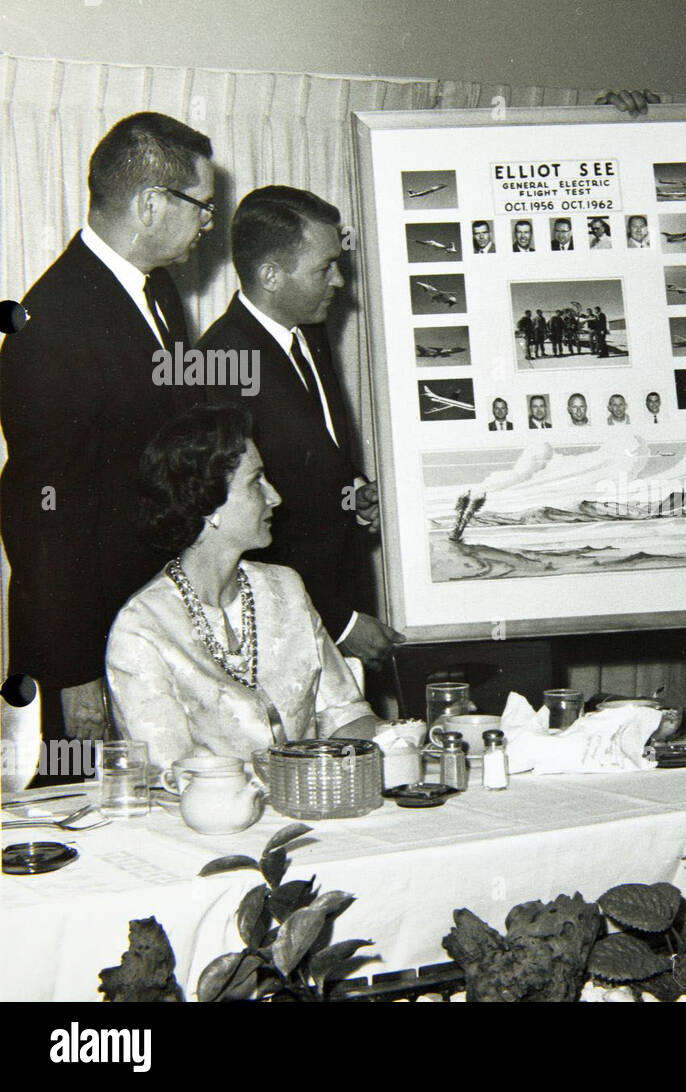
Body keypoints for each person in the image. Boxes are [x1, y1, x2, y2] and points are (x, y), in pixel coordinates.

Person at [0, 112, 214, 748]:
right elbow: (40, 515)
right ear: (151, 204)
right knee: (82, 817)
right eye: (201, 205)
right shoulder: (53, 323)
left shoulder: (158, 293)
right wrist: (75, 678)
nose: (209, 222)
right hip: (82, 649)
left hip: (148, 625)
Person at [196, 186, 403, 672]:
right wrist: (341, 622)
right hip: (290, 624)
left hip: (342, 591)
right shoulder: (219, 365)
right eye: (324, 267)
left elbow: (315, 453)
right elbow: (239, 527)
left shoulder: (307, 329)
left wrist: (352, 488)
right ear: (271, 275)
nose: (340, 280)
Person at [106, 406, 379, 769]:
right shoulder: (142, 628)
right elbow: (169, 774)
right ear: (207, 502)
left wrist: (404, 740)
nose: (275, 497)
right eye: (256, 482)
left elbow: (346, 716)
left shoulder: (285, 588)